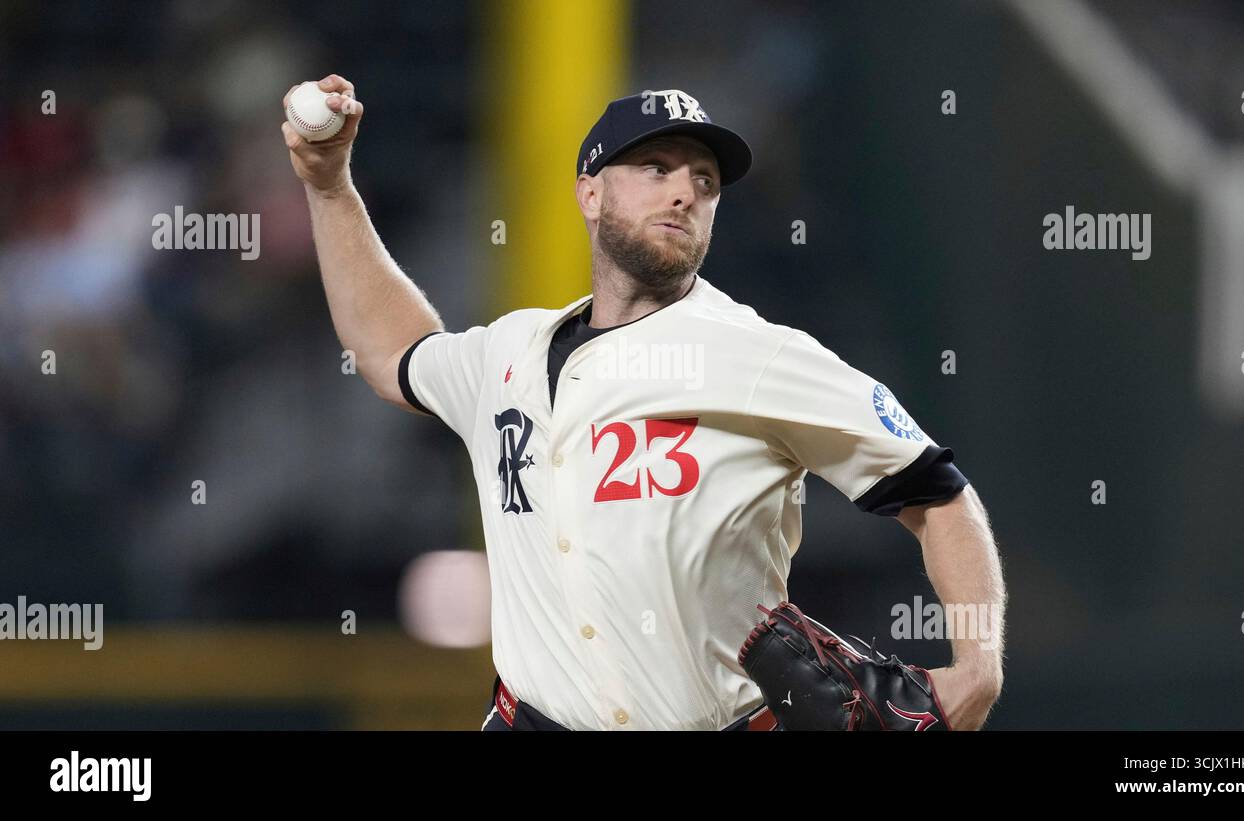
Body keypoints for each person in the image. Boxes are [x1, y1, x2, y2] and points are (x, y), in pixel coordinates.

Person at [282, 78, 1006, 731]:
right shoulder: (508, 354)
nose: (685, 192)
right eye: (656, 169)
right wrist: (328, 185)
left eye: (704, 179)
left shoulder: (758, 355)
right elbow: (389, 351)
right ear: (590, 192)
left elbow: (938, 494)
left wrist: (978, 664)